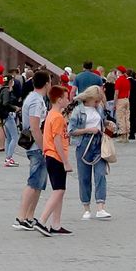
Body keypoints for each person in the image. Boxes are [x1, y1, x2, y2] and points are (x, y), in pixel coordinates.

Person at [11, 71, 53, 232]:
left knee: (38, 184)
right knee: (33, 182)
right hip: (37, 146)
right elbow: (35, 127)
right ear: (46, 83)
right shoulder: (36, 100)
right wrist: (45, 148)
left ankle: (29, 216)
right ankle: (21, 217)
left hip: (36, 145)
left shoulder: (34, 98)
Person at [68, 84, 115, 221]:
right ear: (89, 98)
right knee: (84, 177)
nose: (97, 103)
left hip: (98, 142)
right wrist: (88, 130)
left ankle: (101, 207)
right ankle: (86, 208)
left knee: (101, 174)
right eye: (96, 100)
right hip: (83, 143)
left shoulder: (99, 108)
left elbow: (100, 121)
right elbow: (71, 131)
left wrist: (107, 124)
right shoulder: (78, 110)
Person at [36, 84, 73, 236]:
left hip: (51, 155)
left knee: (59, 190)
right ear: (59, 100)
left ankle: (56, 224)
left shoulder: (52, 114)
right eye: (66, 98)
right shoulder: (57, 117)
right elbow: (57, 140)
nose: (68, 100)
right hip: (56, 156)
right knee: (59, 190)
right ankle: (42, 220)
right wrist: (65, 161)